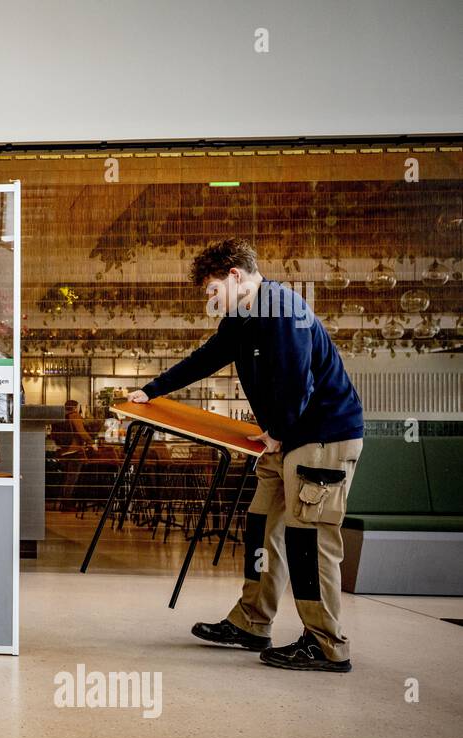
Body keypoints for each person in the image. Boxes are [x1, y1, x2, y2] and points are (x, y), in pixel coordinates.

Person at [127, 238, 364, 673]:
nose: (211, 301)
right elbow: (206, 358)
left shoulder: (283, 309)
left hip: (321, 437)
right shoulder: (242, 318)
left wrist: (277, 432)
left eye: (213, 291)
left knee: (309, 539)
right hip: (285, 438)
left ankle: (326, 644)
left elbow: (297, 383)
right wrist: (151, 391)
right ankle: (252, 621)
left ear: (235, 277)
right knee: (262, 528)